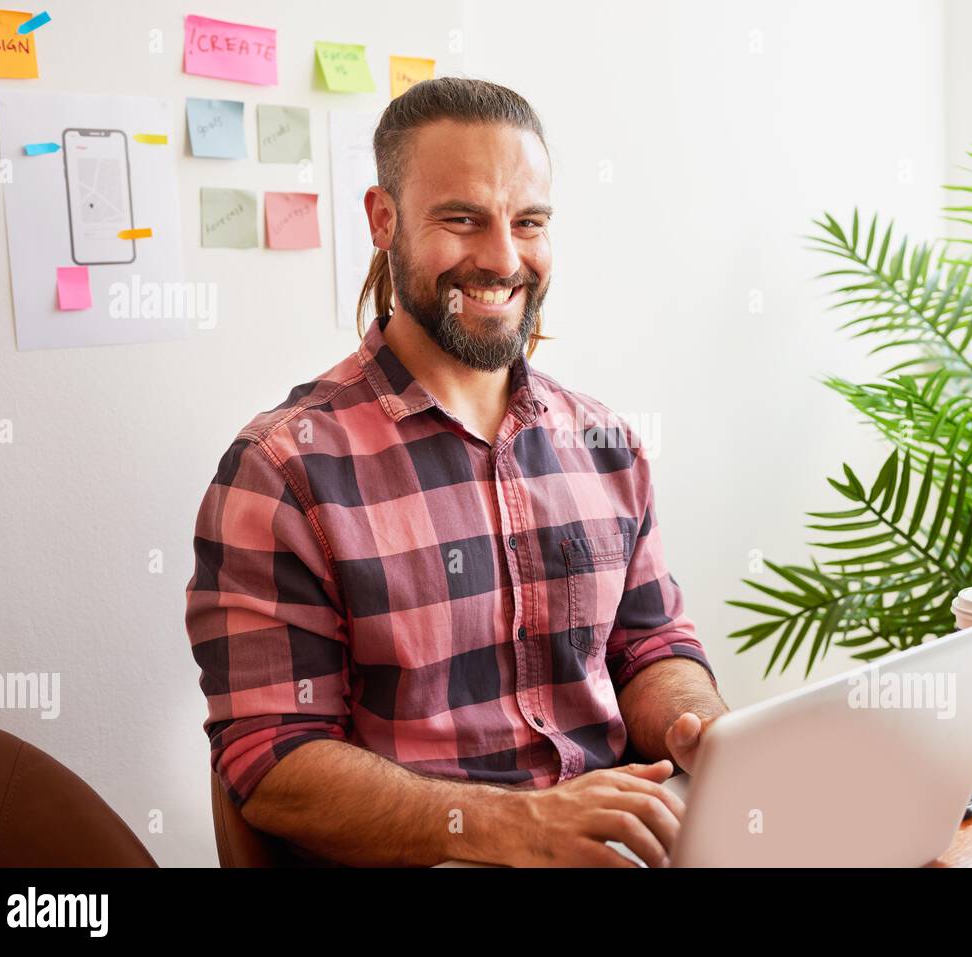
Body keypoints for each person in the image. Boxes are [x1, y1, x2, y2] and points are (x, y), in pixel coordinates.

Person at [185, 77, 727, 867]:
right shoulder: (280, 473)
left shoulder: (607, 443)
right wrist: (517, 824)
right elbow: (271, 761)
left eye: (529, 221)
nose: (504, 259)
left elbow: (650, 644)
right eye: (462, 219)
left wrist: (697, 722)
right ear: (383, 219)